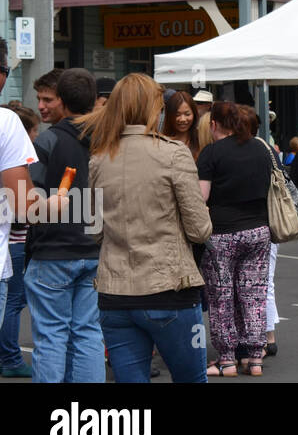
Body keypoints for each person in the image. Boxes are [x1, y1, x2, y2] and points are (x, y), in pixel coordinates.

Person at [83, 74, 211, 383]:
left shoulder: (99, 158)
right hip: (169, 287)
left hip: (116, 292)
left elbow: (93, 229)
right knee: (191, 378)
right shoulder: (173, 153)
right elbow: (199, 230)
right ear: (154, 109)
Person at [25, 67, 104, 384]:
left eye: (48, 99)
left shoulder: (48, 140)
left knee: (51, 335)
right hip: (94, 246)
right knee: (87, 332)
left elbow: (27, 200)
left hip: (53, 250)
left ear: (64, 101)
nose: (43, 106)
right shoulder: (104, 140)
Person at [198, 101, 272, 376]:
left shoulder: (211, 153)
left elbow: (201, 196)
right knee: (253, 295)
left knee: (221, 296)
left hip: (222, 233)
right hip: (258, 231)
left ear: (214, 124)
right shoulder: (260, 148)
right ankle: (254, 358)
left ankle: (227, 359)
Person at [0, 102, 37, 377]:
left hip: (10, 244)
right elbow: (24, 207)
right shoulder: (7, 123)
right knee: (15, 302)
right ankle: (11, 358)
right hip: (13, 243)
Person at [164, 89, 201, 159]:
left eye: (187, 114)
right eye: (177, 114)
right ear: (169, 115)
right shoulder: (162, 142)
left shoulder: (201, 139)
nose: (182, 119)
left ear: (194, 114)